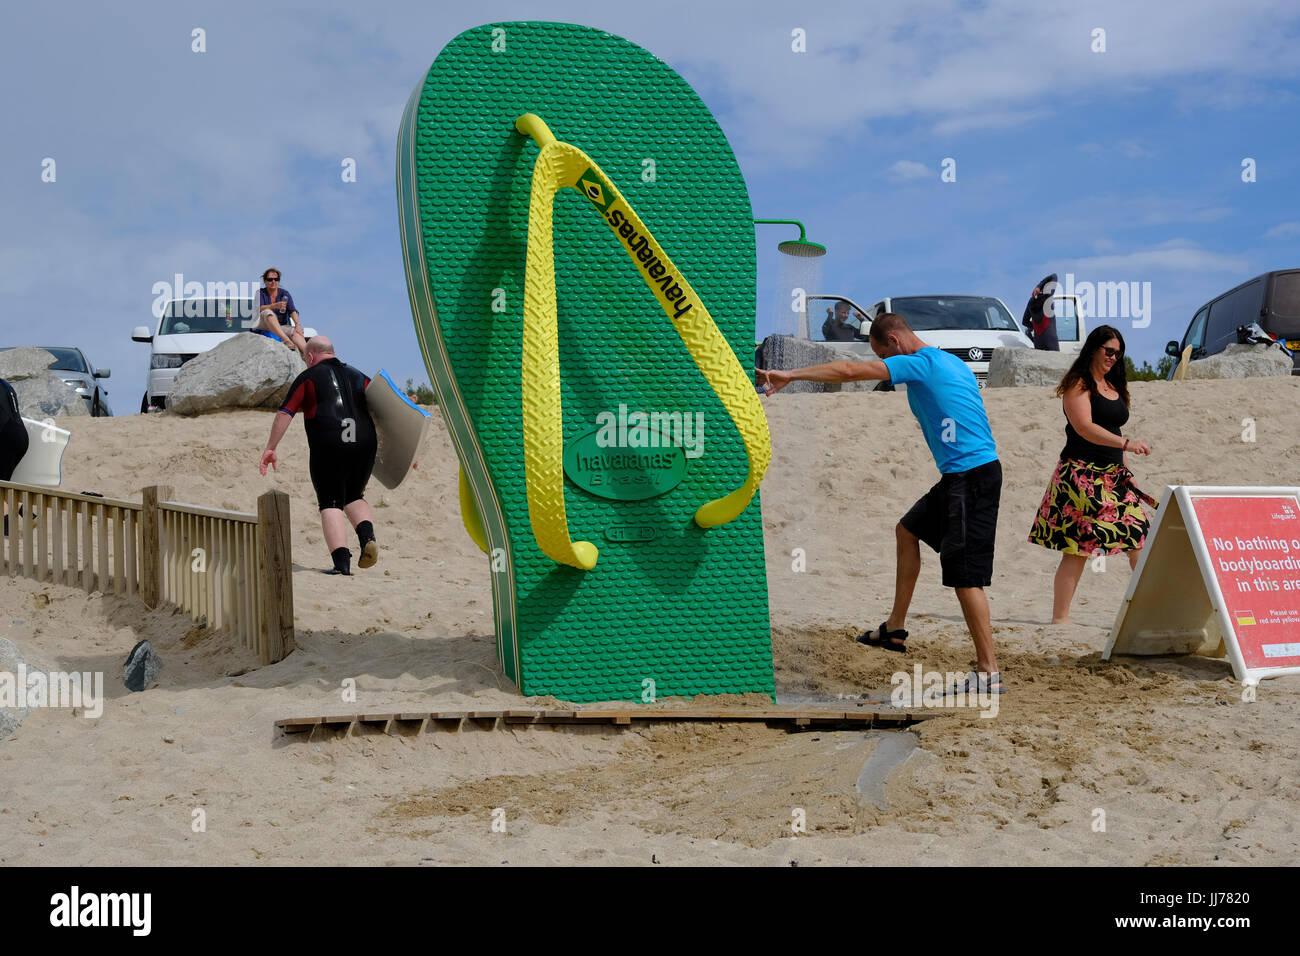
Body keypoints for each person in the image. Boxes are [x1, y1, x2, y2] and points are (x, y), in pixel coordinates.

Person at [758, 312, 1005, 694]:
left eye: (884, 354)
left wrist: (791, 375)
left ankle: (988, 672)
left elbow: (850, 372)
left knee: (965, 576)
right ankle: (894, 629)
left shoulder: (920, 362)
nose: (887, 364)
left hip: (971, 478)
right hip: (963, 474)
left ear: (893, 340)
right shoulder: (949, 361)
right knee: (908, 530)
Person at [1028, 325, 1156, 624]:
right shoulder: (1078, 383)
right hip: (1081, 475)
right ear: (1093, 349)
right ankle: (1060, 621)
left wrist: (1126, 469)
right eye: (1108, 351)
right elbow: (1084, 427)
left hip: (1113, 476)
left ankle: (1150, 613)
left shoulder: (1113, 386)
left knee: (1139, 539)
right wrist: (1127, 444)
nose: (1113, 357)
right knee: (1078, 549)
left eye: (1118, 353)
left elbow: (1113, 429)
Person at [259, 337, 379, 575]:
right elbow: (385, 409)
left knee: (330, 500)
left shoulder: (308, 377)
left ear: (310, 357)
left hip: (330, 442)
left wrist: (271, 447)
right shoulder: (360, 376)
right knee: (354, 495)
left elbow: (286, 412)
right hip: (365, 443)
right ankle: (367, 538)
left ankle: (341, 564)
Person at [253, 268, 307, 357]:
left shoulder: (285, 294)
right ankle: (286, 340)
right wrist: (274, 306)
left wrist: (297, 325)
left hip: (279, 327)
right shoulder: (260, 293)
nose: (273, 281)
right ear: (265, 281)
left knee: (296, 331)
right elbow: (259, 308)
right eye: (270, 279)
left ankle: (308, 354)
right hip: (263, 325)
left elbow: (292, 310)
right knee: (268, 312)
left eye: (276, 279)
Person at [1, 377, 29, 536]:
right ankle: (28, 516)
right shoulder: (5, 384)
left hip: (5, 436)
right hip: (21, 435)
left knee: (0, 486)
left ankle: (7, 530)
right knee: (3, 484)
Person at [1022, 273, 1060, 351]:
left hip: (1038, 340)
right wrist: (1039, 286)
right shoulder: (1048, 296)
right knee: (1055, 362)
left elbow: (1024, 322)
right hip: (1050, 339)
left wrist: (1035, 327)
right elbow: (1054, 276)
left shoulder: (1031, 302)